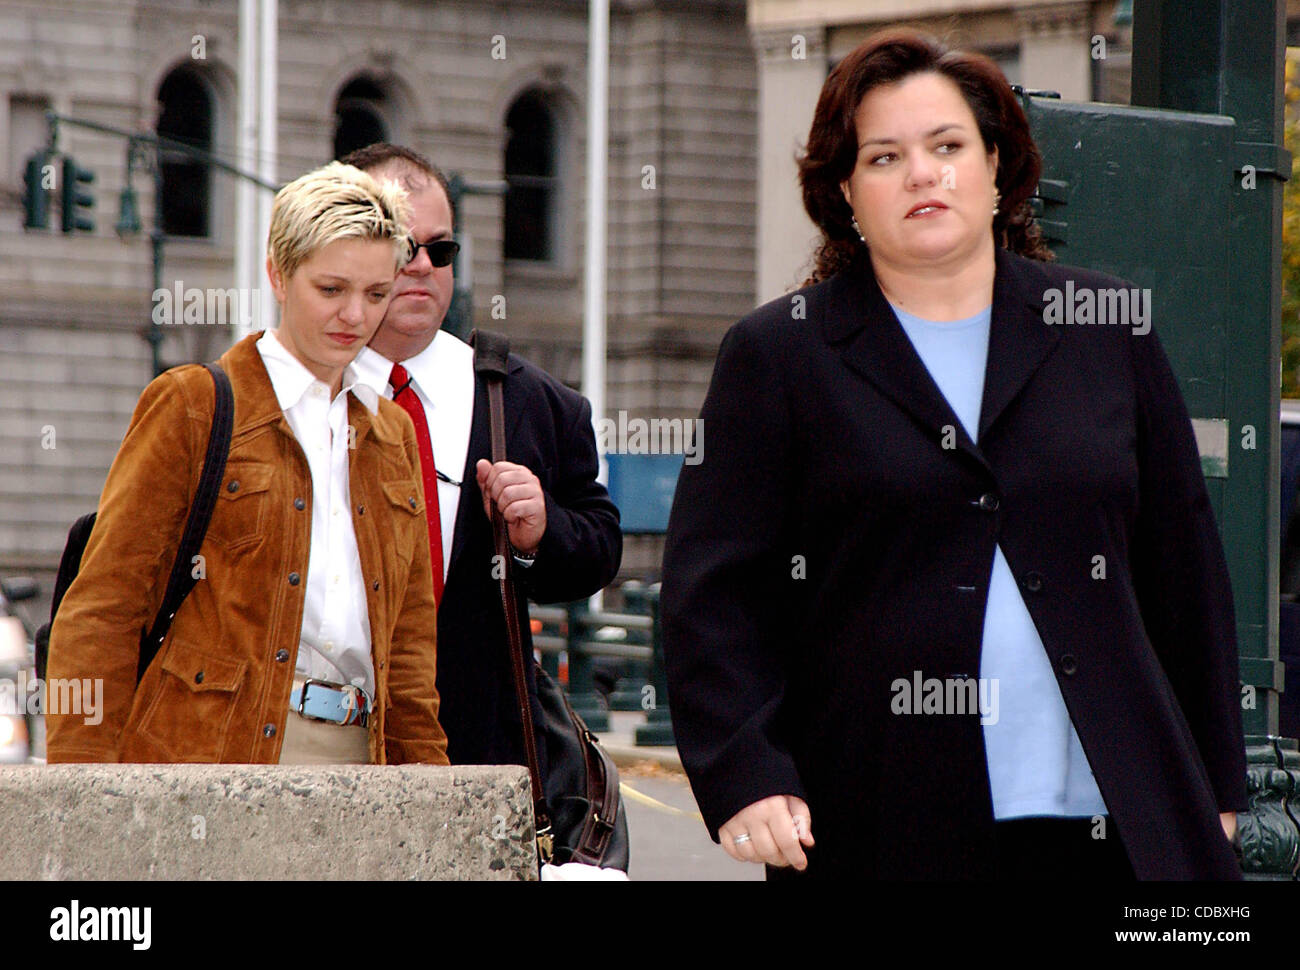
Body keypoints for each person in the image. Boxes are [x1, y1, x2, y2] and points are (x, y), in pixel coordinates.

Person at [661, 28, 1246, 880]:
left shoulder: (1107, 327)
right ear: (845, 193)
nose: (923, 173)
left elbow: (1184, 565)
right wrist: (745, 774)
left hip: (1128, 821)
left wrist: (1215, 781)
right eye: (885, 157)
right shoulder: (781, 354)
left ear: (999, 166)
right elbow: (712, 592)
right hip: (880, 819)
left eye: (947, 146)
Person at [46, 161, 450, 767]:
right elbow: (104, 608)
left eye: (375, 294)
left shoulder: (392, 432)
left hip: (363, 761)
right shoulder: (192, 405)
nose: (355, 317)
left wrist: (429, 795)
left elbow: (411, 657)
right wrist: (82, 790)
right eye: (331, 290)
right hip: (207, 756)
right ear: (278, 276)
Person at [339, 143, 621, 778]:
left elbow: (600, 547)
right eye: (400, 244)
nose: (421, 266)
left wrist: (540, 531)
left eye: (441, 250)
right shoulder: (287, 389)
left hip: (477, 758)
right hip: (313, 750)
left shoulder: (533, 402)